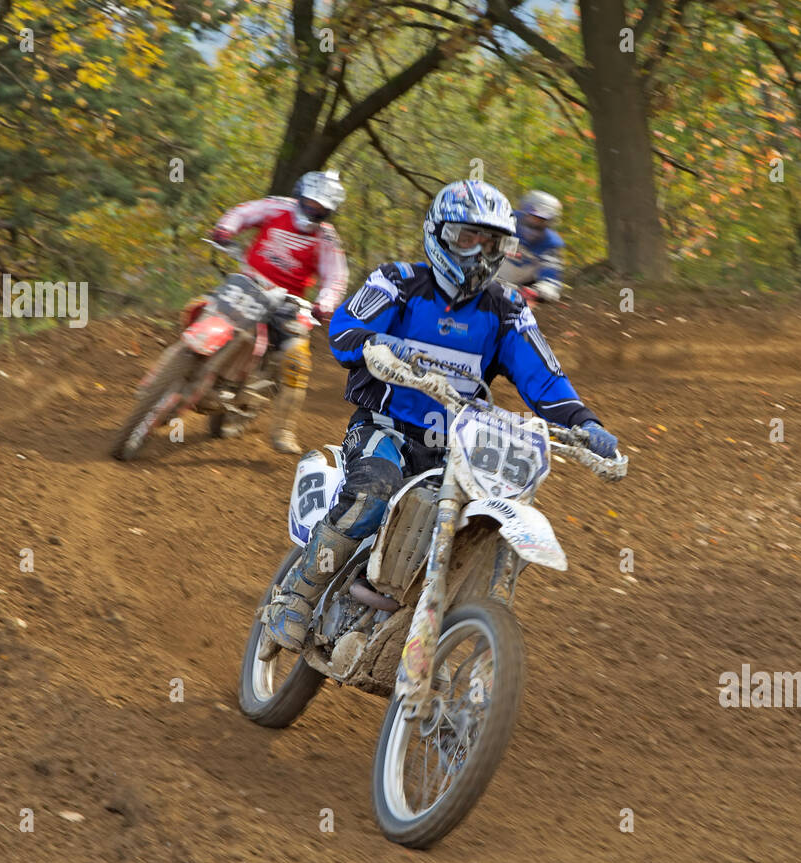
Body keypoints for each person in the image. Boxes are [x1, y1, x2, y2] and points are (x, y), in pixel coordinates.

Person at [259, 179, 618, 654]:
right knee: (373, 494)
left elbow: (542, 377)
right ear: (440, 233)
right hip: (384, 428)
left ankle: (452, 634)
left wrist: (583, 422)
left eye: (491, 242)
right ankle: (295, 596)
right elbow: (345, 329)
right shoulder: (399, 281)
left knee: (480, 531)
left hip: (459, 448)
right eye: (468, 237)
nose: (478, 252)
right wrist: (379, 342)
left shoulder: (506, 308)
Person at [208, 170, 349, 453]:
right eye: (310, 202)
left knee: (297, 360)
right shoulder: (276, 207)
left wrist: (325, 303)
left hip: (289, 303)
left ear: (329, 212)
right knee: (208, 310)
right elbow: (244, 212)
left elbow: (336, 277)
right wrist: (226, 228)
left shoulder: (326, 240)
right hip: (249, 283)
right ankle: (189, 366)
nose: (313, 209)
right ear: (300, 195)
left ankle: (284, 430)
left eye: (321, 208)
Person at [495, 189, 565, 304]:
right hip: (488, 278)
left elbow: (551, 276)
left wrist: (541, 291)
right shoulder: (503, 223)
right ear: (524, 212)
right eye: (533, 216)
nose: (536, 221)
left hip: (518, 292)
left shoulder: (549, 244)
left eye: (542, 219)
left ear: (550, 222)